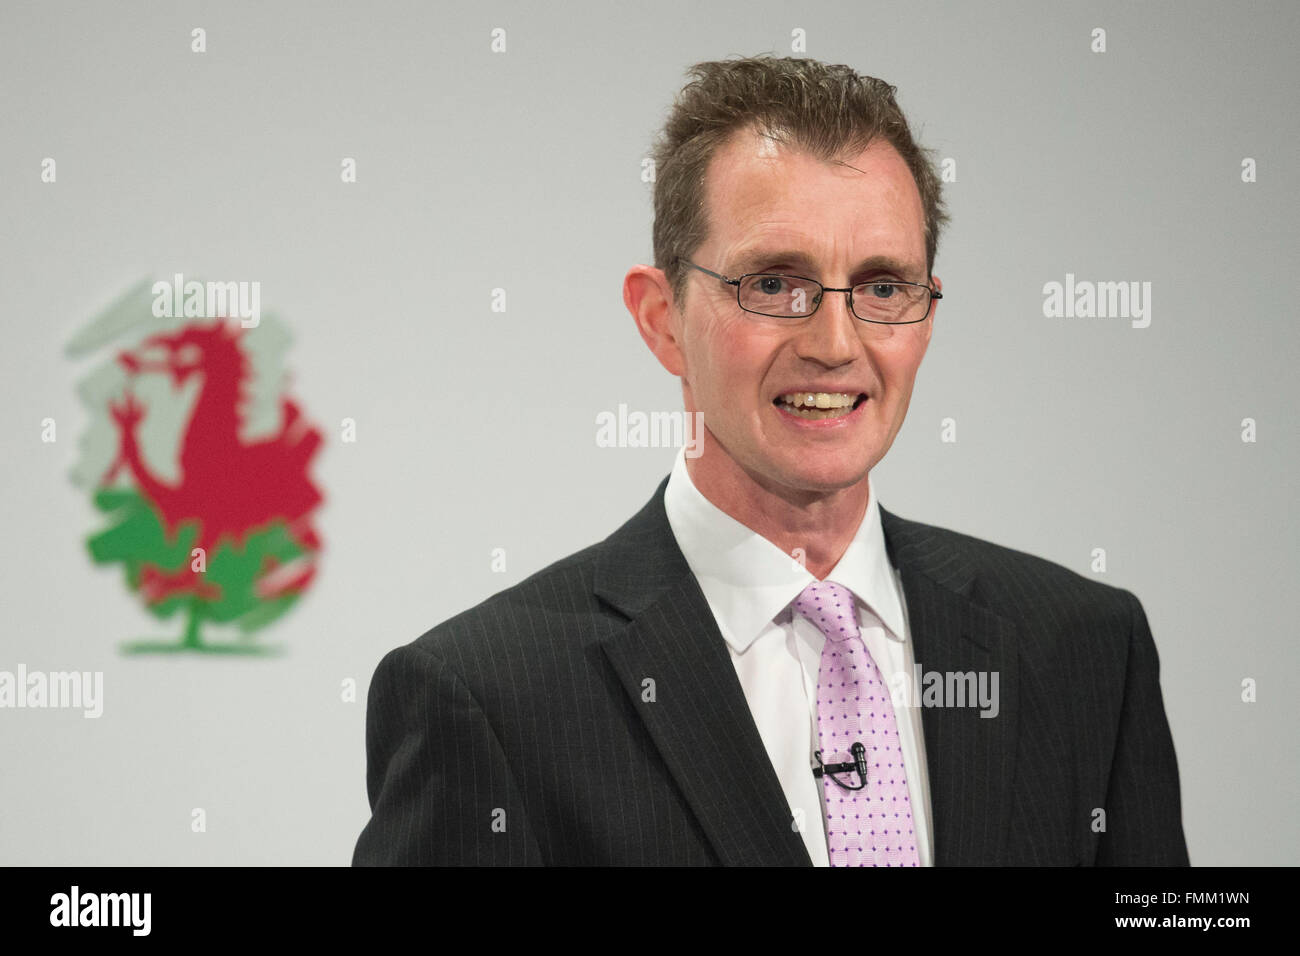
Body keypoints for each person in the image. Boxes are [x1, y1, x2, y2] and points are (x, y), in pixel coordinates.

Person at [352, 54, 1189, 866]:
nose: (835, 342)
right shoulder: (487, 699)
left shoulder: (1084, 650)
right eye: (775, 284)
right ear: (661, 318)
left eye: (884, 287)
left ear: (928, 318)